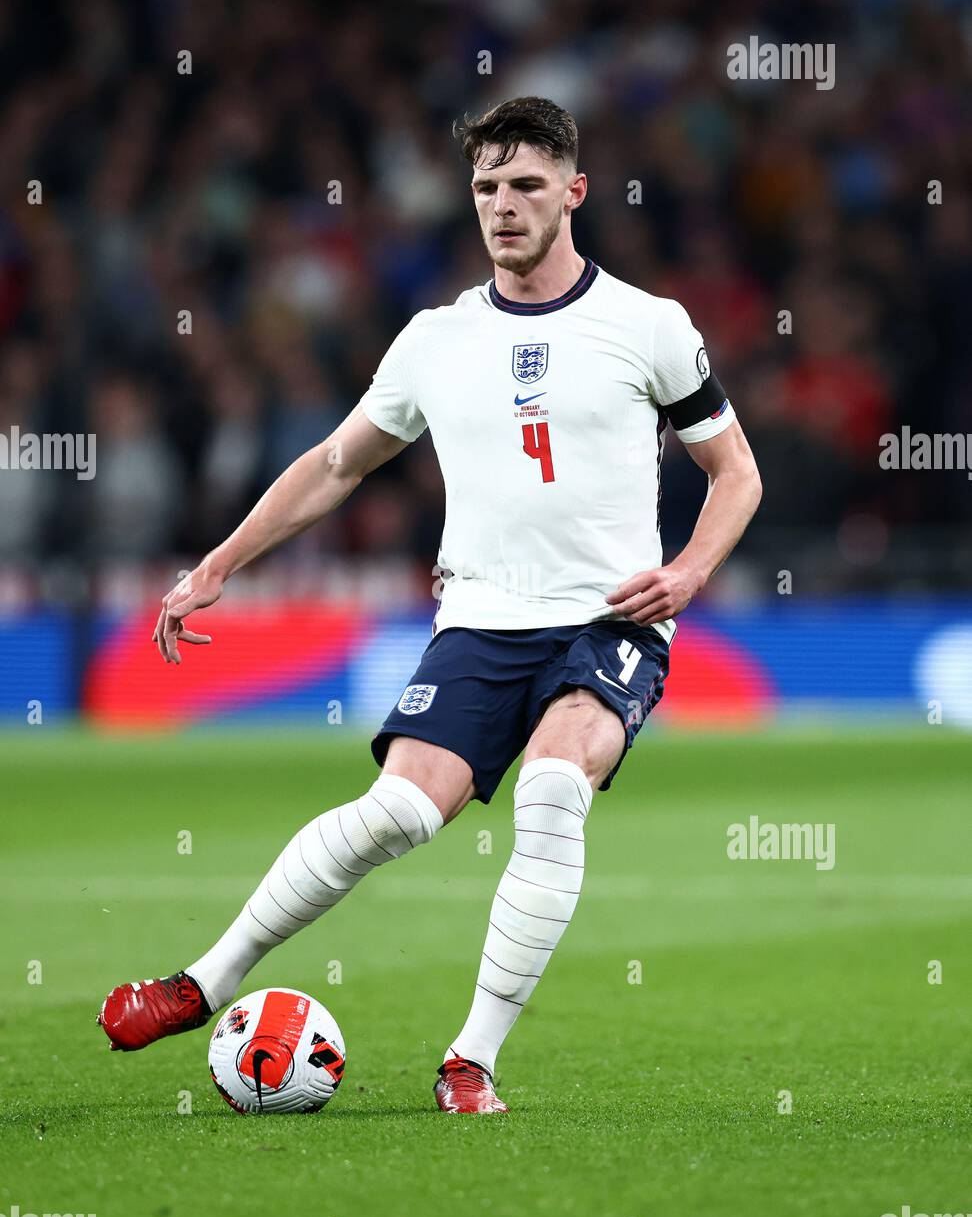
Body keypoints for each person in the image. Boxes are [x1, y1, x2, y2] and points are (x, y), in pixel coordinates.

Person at [98, 97, 762, 1113]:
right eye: (488, 186)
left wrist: (689, 571)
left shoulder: (648, 327)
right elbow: (334, 466)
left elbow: (737, 474)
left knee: (550, 787)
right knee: (399, 810)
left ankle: (471, 1059)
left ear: (574, 192)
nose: (504, 204)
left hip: (611, 619)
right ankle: (203, 981)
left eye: (528, 184)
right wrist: (220, 562)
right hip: (481, 621)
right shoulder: (433, 340)